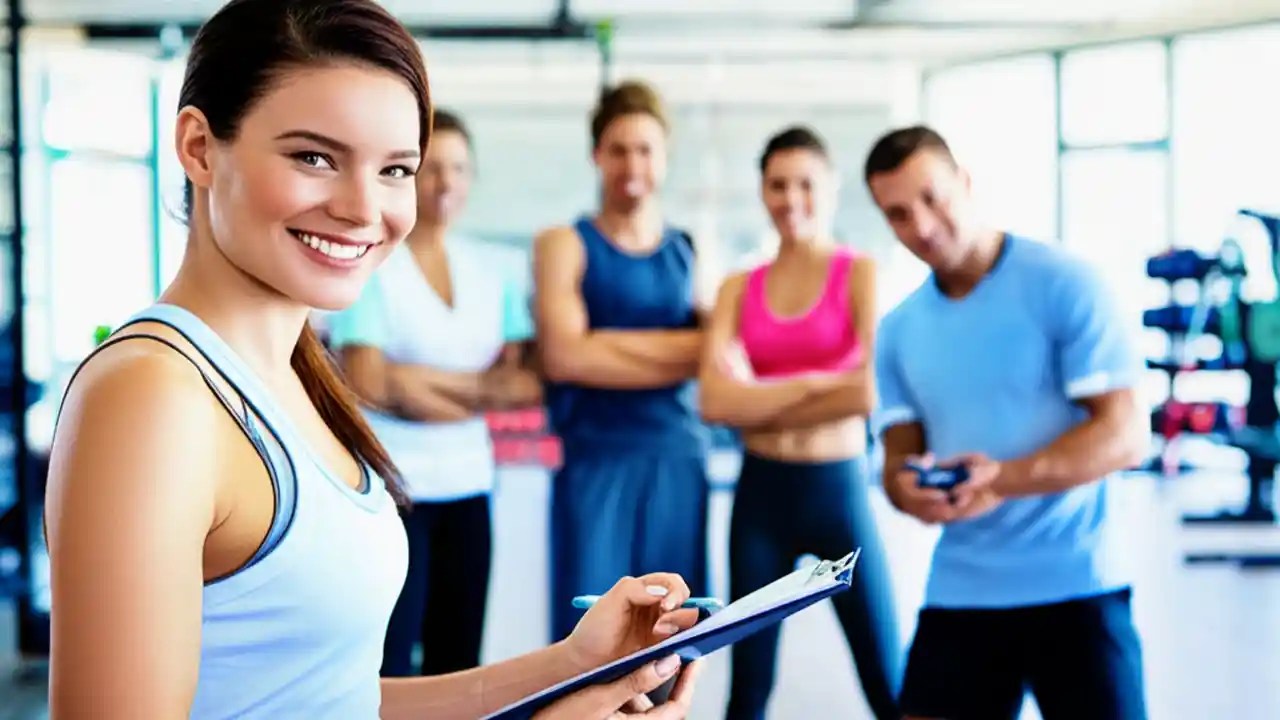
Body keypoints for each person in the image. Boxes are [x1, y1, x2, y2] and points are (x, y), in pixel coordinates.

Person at [42, 1, 702, 718]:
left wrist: (571, 666)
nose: (364, 208)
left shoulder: (292, 376)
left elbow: (338, 700)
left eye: (394, 170)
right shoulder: (152, 398)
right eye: (314, 157)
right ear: (200, 148)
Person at [865, 125, 1149, 720]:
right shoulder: (898, 330)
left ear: (964, 182)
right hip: (962, 586)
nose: (919, 225)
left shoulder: (1065, 282)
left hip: (1078, 584)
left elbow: (1124, 434)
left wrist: (999, 478)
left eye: (931, 198)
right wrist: (909, 491)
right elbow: (897, 460)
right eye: (896, 214)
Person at [329, 108, 541, 678]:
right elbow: (368, 383)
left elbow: (523, 384)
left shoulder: (489, 270)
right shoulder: (372, 266)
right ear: (409, 174)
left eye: (460, 169)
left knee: (460, 663)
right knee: (392, 664)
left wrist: (413, 380)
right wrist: (477, 390)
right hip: (396, 492)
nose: (447, 183)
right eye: (433, 168)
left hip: (471, 488)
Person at [699, 126, 901, 720]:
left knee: (885, 680)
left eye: (806, 184)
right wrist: (818, 384)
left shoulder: (858, 273)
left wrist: (757, 393)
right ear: (762, 192)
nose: (792, 199)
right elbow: (714, 403)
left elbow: (869, 390)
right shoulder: (740, 285)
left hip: (838, 492)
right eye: (778, 185)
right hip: (760, 498)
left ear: (831, 188)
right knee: (749, 691)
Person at [533, 79, 709, 643]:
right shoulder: (564, 242)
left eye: (645, 149)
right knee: (588, 637)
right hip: (596, 462)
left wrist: (600, 346)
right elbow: (562, 358)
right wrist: (678, 351)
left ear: (664, 157)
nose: (632, 163)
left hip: (677, 462)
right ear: (596, 155)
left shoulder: (689, 248)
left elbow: (716, 353)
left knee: (670, 632)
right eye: (618, 149)